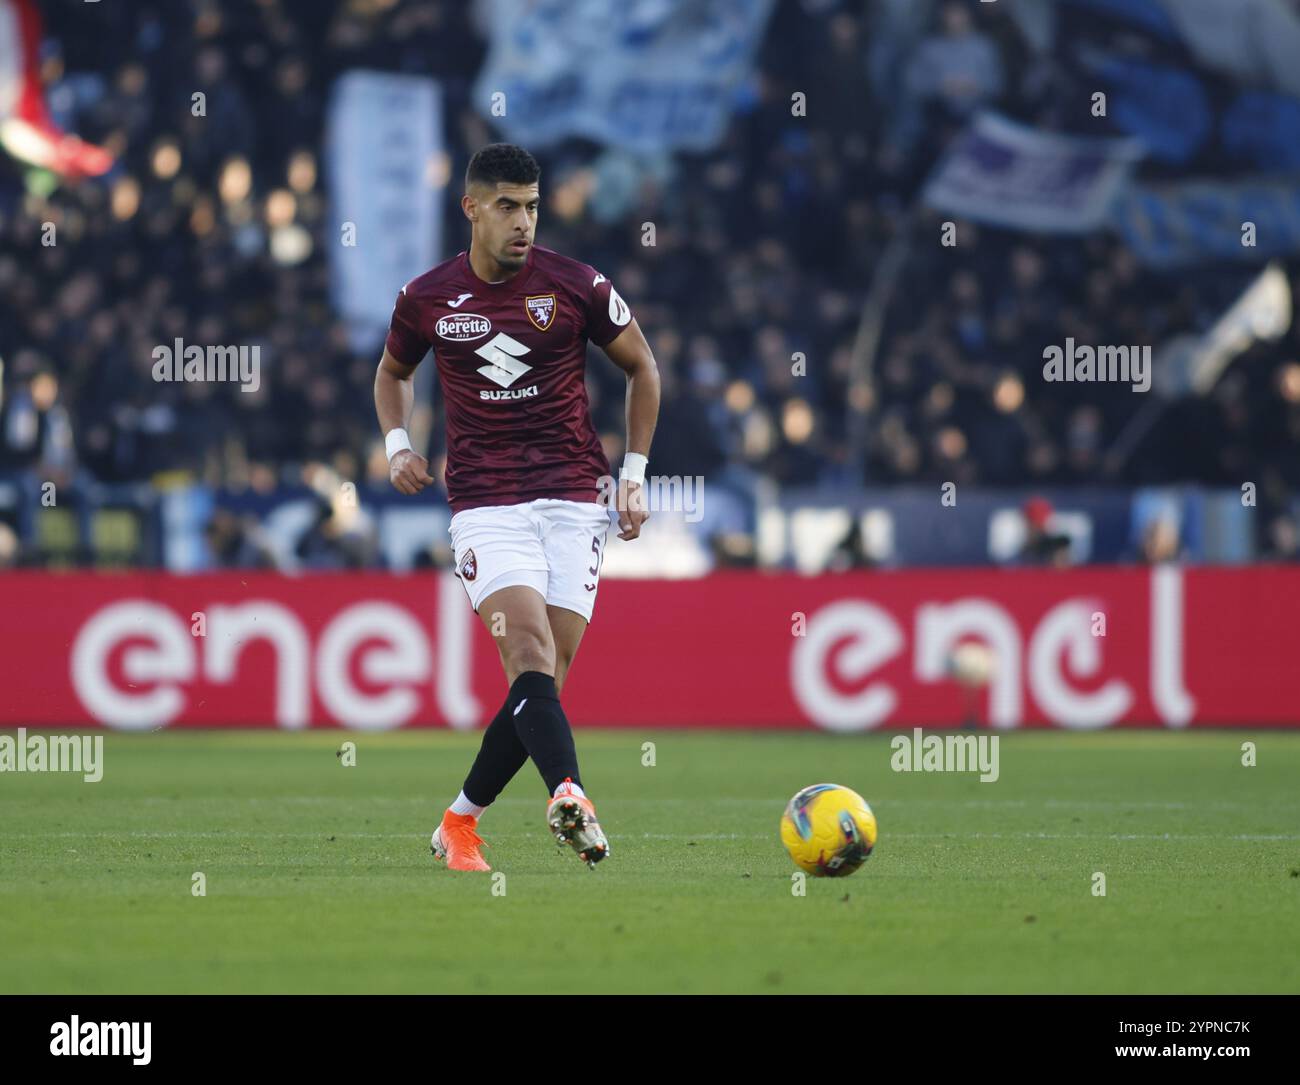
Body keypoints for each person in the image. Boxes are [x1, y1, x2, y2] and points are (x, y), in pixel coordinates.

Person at [374, 144, 661, 870]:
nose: (523, 222)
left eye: (531, 206)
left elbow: (642, 366)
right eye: (507, 206)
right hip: (486, 504)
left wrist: (634, 472)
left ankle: (458, 822)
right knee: (528, 652)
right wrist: (398, 443)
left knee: (542, 686)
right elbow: (393, 371)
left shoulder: (577, 284)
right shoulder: (426, 297)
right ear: (470, 208)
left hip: (573, 499)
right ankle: (570, 792)